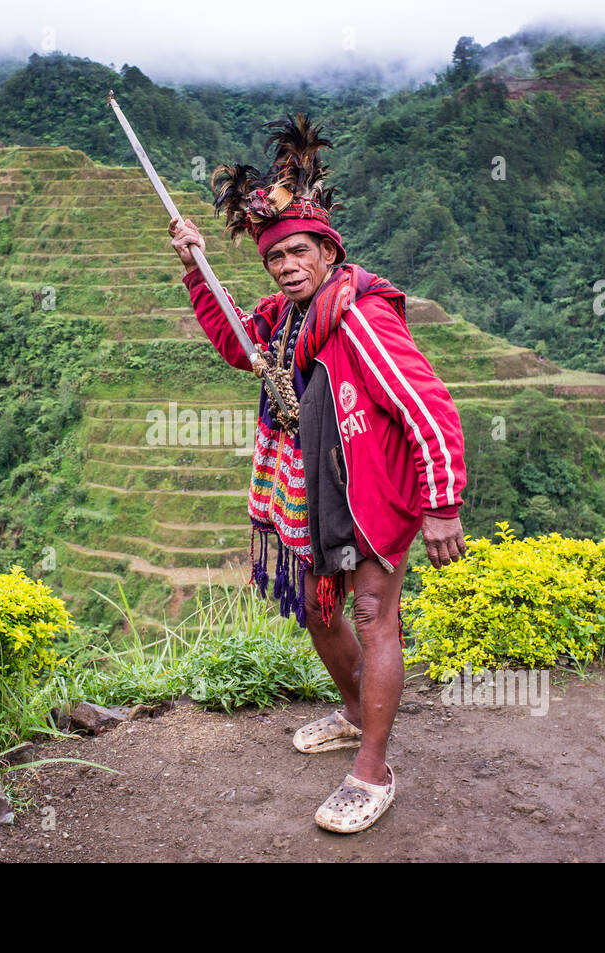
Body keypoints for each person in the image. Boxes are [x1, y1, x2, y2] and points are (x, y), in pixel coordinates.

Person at [166, 114, 468, 834]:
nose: (288, 265)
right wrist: (194, 266)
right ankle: (357, 709)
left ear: (328, 250)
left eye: (300, 251)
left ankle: (373, 767)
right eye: (276, 258)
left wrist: (442, 504)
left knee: (372, 615)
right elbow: (242, 349)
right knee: (317, 607)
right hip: (314, 490)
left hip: (374, 492)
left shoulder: (362, 317)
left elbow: (425, 402)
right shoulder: (286, 317)